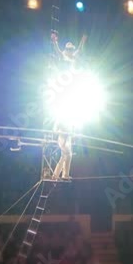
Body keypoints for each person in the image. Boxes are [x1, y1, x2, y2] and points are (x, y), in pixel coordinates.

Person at [49, 32, 86, 180]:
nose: (71, 52)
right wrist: (54, 42)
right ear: (67, 50)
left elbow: (80, 51)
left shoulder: (73, 56)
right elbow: (58, 52)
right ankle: (61, 174)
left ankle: (60, 175)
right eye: (69, 50)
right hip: (63, 78)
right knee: (67, 154)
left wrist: (83, 41)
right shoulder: (64, 55)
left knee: (67, 155)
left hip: (69, 80)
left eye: (72, 50)